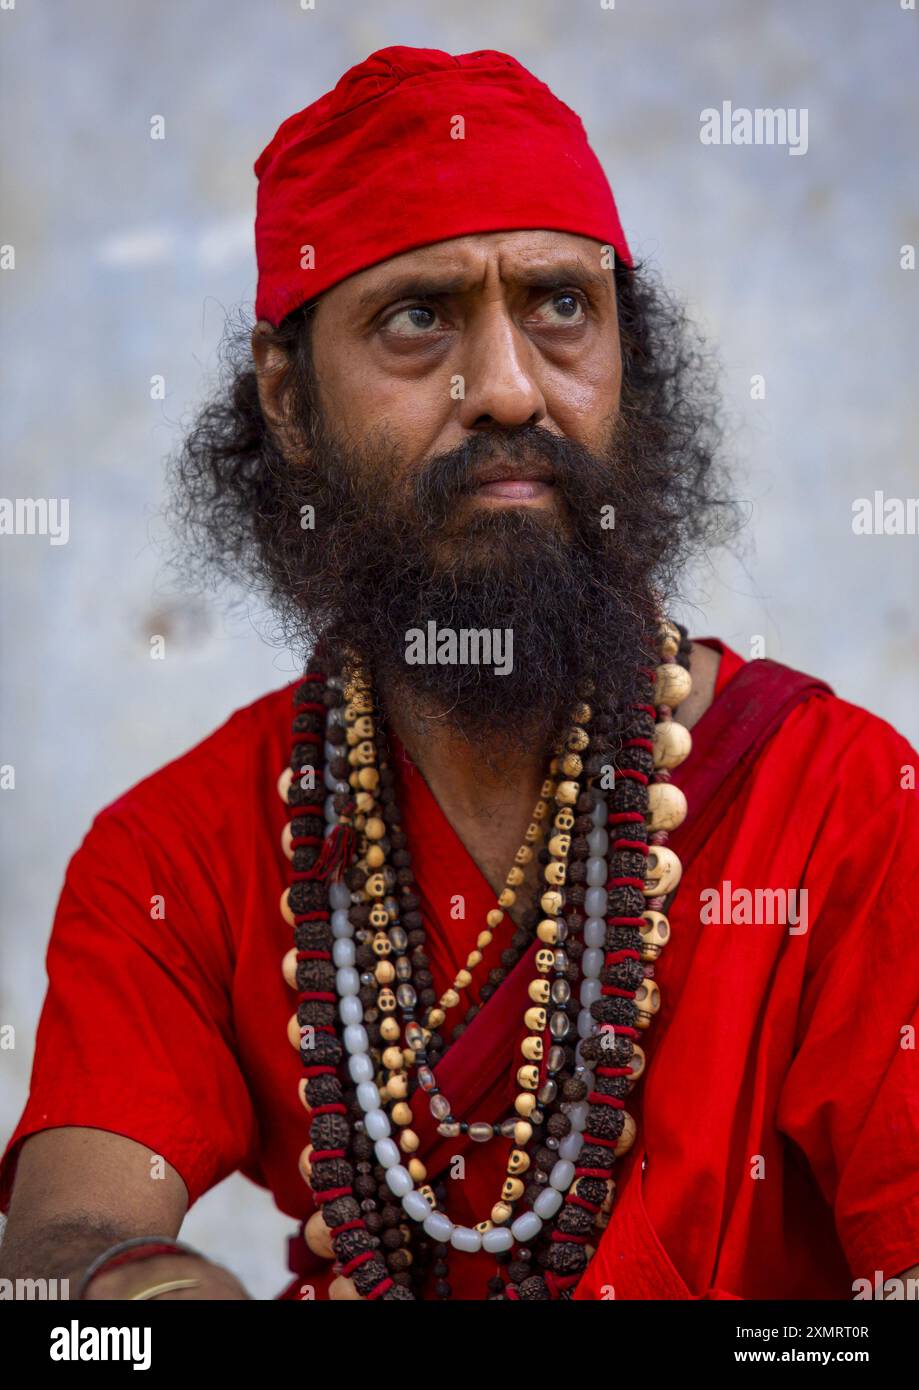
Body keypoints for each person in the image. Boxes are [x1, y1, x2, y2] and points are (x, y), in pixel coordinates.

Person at [1, 46, 917, 1302]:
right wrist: (141, 1304)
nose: (504, 388)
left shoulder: (849, 812)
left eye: (558, 306)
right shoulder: (178, 851)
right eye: (417, 317)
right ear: (286, 399)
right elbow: (55, 1266)